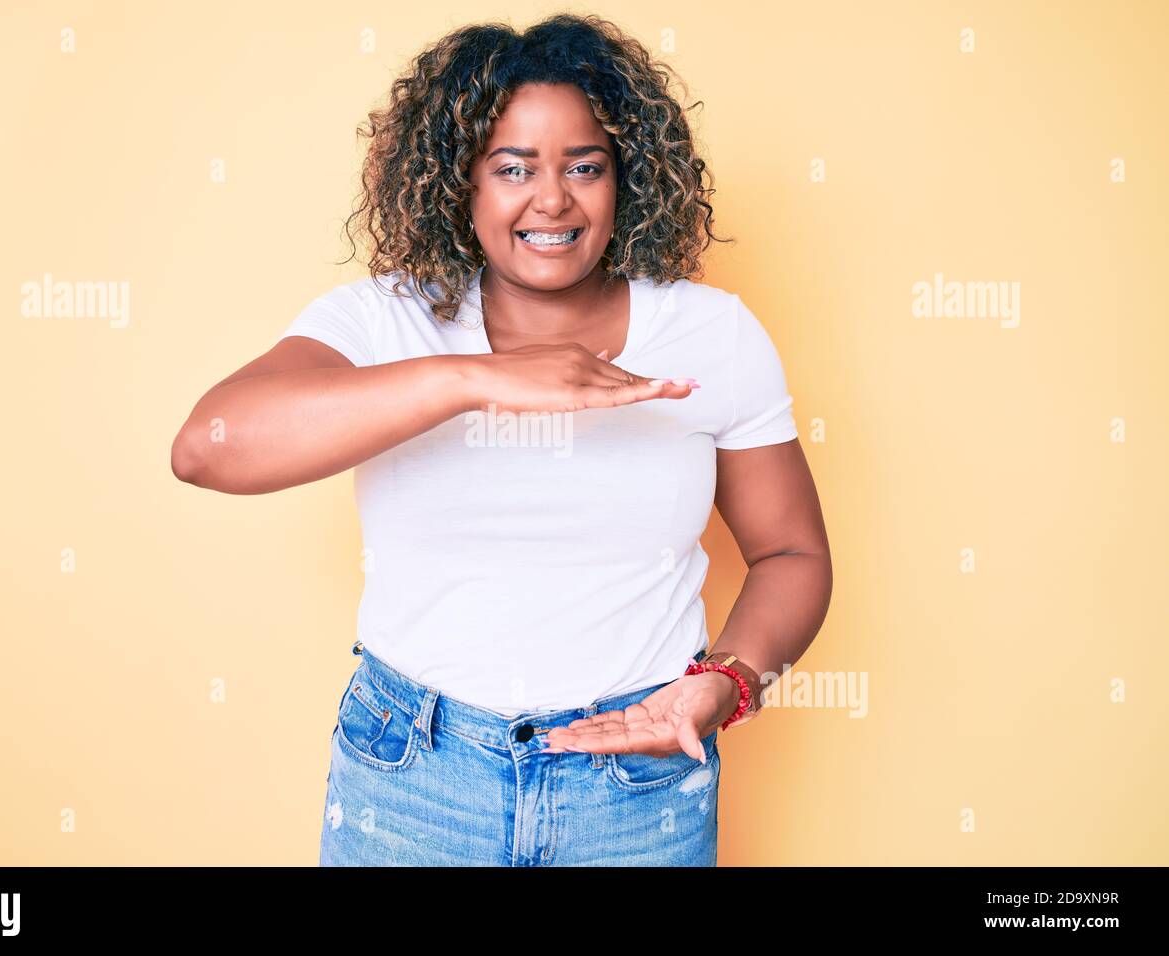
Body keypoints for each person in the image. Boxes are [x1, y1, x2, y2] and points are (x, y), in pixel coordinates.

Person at [171, 13, 832, 866]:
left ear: (626, 180)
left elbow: (790, 555)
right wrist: (473, 380)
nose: (551, 199)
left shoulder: (711, 334)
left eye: (584, 167)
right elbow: (208, 447)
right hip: (414, 776)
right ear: (462, 185)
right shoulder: (387, 319)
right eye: (512, 168)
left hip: (636, 784)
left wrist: (725, 686)